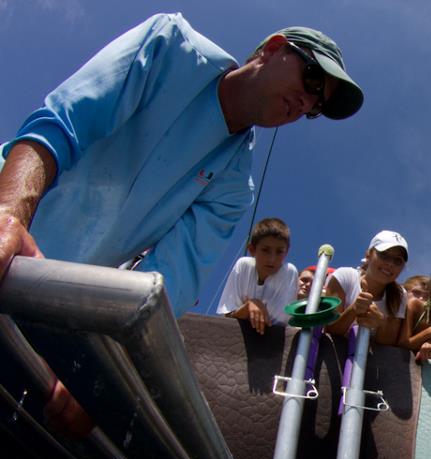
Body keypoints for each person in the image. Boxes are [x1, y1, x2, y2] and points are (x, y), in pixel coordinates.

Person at [0, 15, 362, 429]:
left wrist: (103, 367)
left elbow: (167, 282)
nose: (307, 103)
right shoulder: (168, 46)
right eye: (313, 80)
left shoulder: (233, 191)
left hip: (43, 319)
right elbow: (62, 124)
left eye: (316, 108)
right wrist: (8, 217)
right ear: (273, 48)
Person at [324, 230, 409, 346]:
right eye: (384, 255)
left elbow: (389, 344)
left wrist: (380, 324)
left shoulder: (400, 295)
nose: (390, 264)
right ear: (368, 254)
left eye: (398, 260)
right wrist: (353, 309)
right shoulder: (344, 276)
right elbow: (328, 330)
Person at [216, 217, 298, 333]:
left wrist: (247, 309)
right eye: (265, 250)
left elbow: (277, 325)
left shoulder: (289, 273)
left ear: (287, 252)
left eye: (279, 252)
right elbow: (227, 318)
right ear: (252, 249)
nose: (272, 259)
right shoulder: (243, 265)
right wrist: (250, 305)